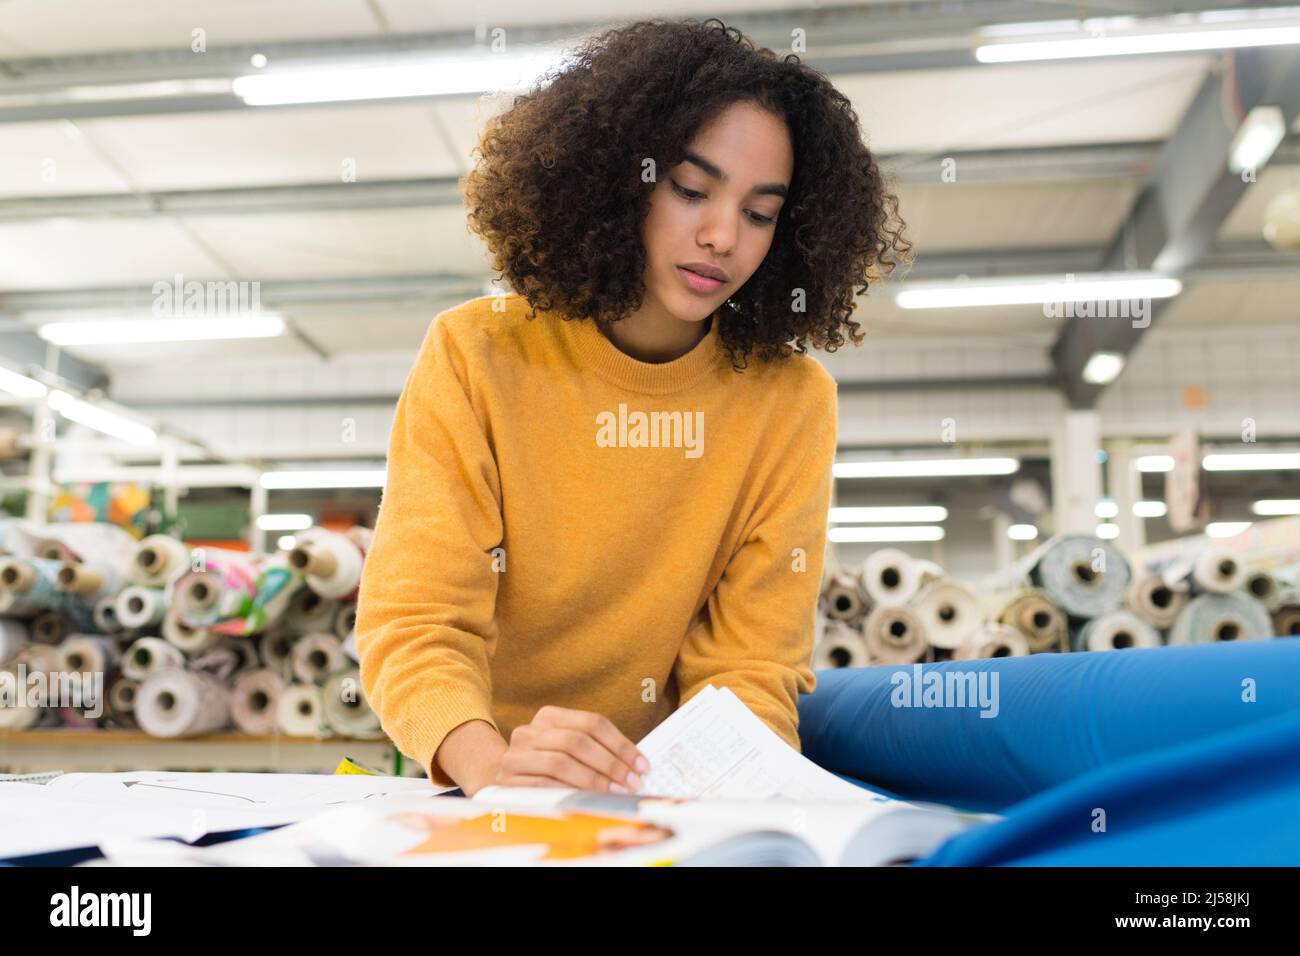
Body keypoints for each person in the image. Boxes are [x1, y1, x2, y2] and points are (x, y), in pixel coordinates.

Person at [355, 17, 909, 797]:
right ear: (620, 180)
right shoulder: (476, 354)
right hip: (474, 782)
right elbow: (418, 621)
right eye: (691, 190)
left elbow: (749, 668)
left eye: (760, 212)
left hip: (664, 797)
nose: (722, 236)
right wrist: (492, 769)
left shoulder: (792, 403)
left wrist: (714, 796)